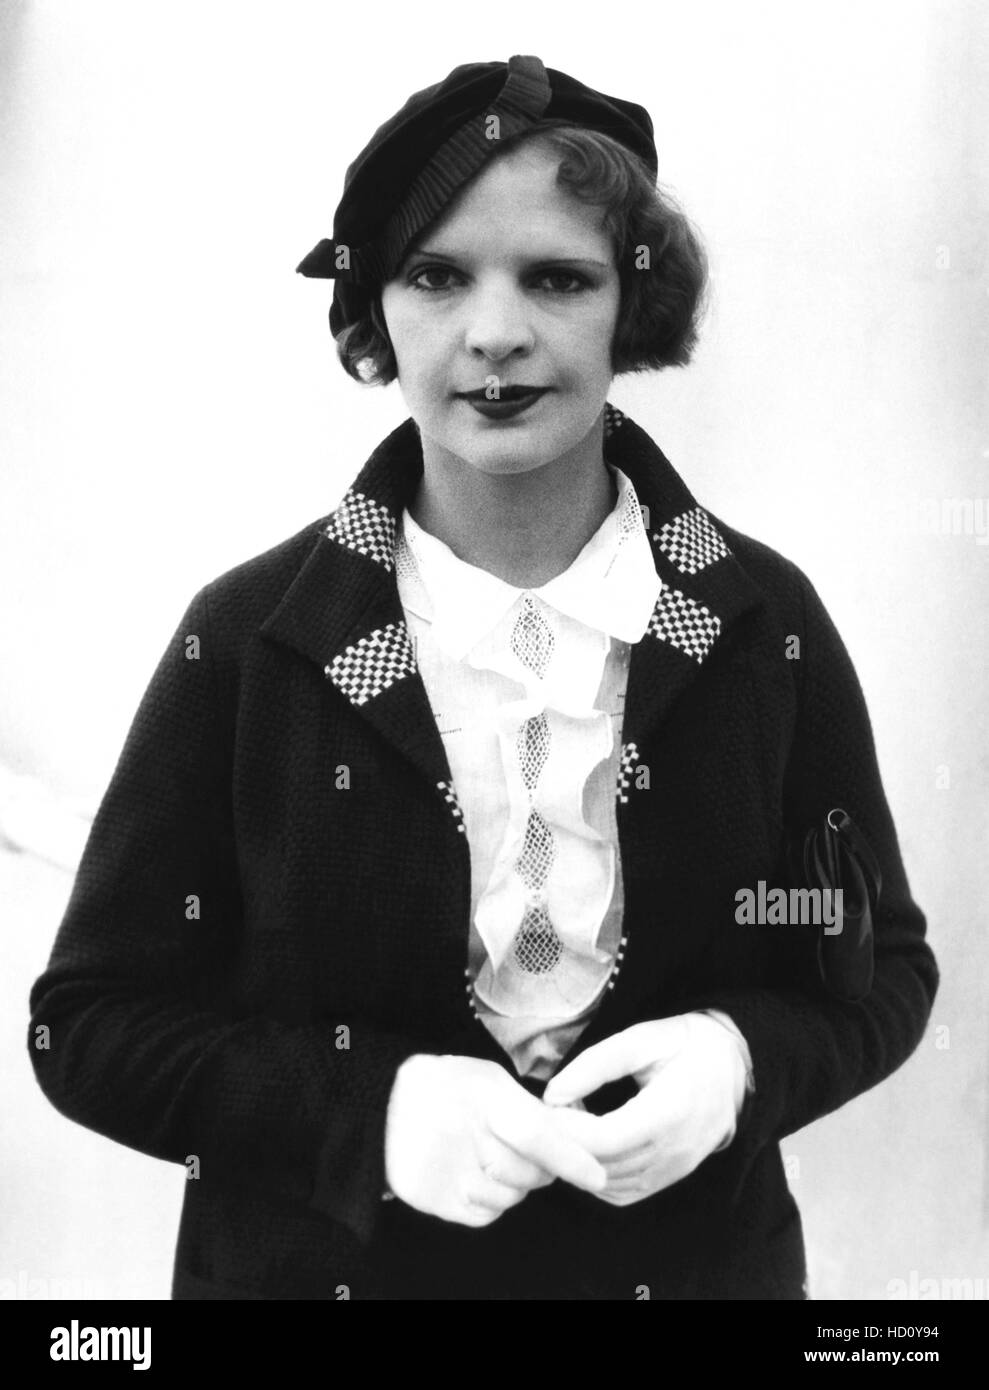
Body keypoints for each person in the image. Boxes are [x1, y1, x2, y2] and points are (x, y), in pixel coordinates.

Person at [28, 54, 938, 1301]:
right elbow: (91, 1024)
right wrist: (369, 1112)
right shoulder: (246, 642)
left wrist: (738, 1059)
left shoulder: (759, 621)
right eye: (435, 275)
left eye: (557, 277)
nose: (493, 331)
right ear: (372, 311)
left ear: (634, 301)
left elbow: (871, 961)